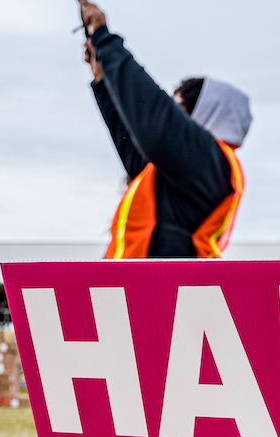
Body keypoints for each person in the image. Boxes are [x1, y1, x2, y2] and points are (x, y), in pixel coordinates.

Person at [80, 1, 251, 259]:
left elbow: (153, 120)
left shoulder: (212, 162)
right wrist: (103, 79)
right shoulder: (182, 171)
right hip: (144, 291)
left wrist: (106, 40)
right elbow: (134, 150)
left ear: (205, 115)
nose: (171, 111)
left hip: (168, 293)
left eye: (177, 106)